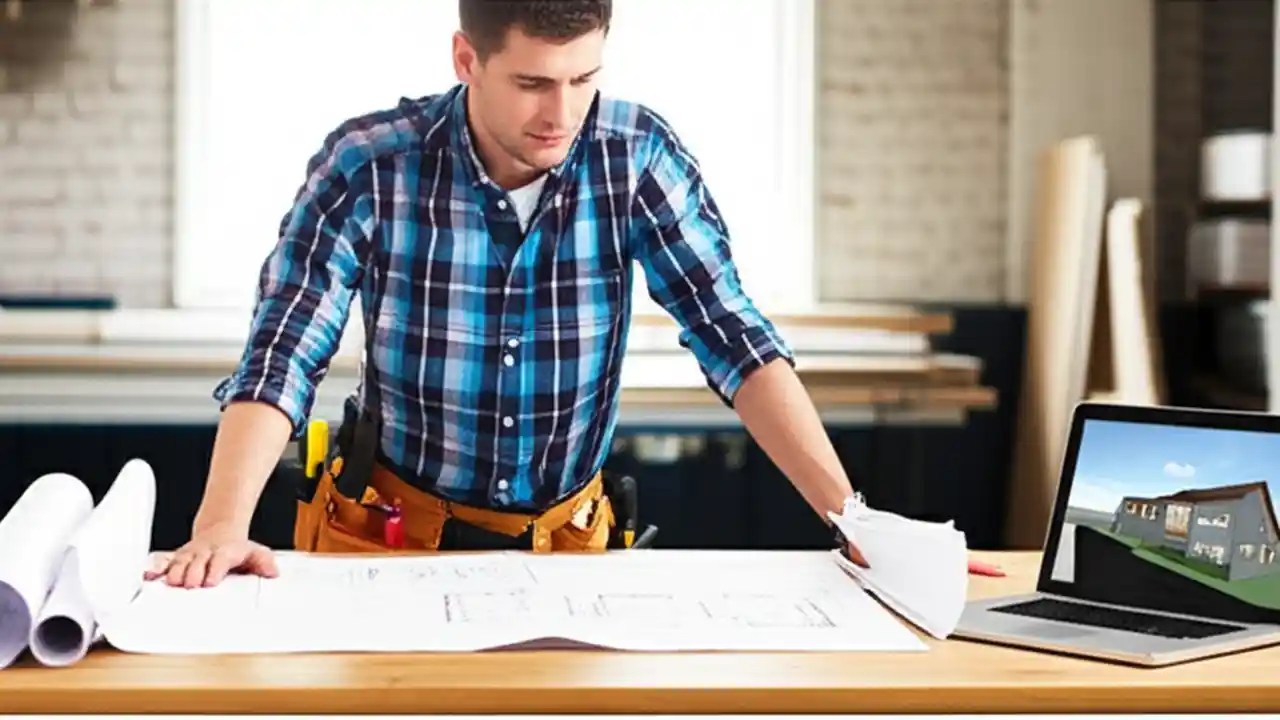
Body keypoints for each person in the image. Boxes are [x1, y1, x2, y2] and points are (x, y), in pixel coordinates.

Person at [149, 0, 868, 589]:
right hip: (387, 545)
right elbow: (285, 349)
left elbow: (730, 333)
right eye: (532, 84)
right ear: (467, 60)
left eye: (584, 79)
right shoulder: (371, 163)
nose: (563, 112)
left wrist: (854, 521)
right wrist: (219, 528)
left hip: (568, 553)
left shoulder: (636, 156)